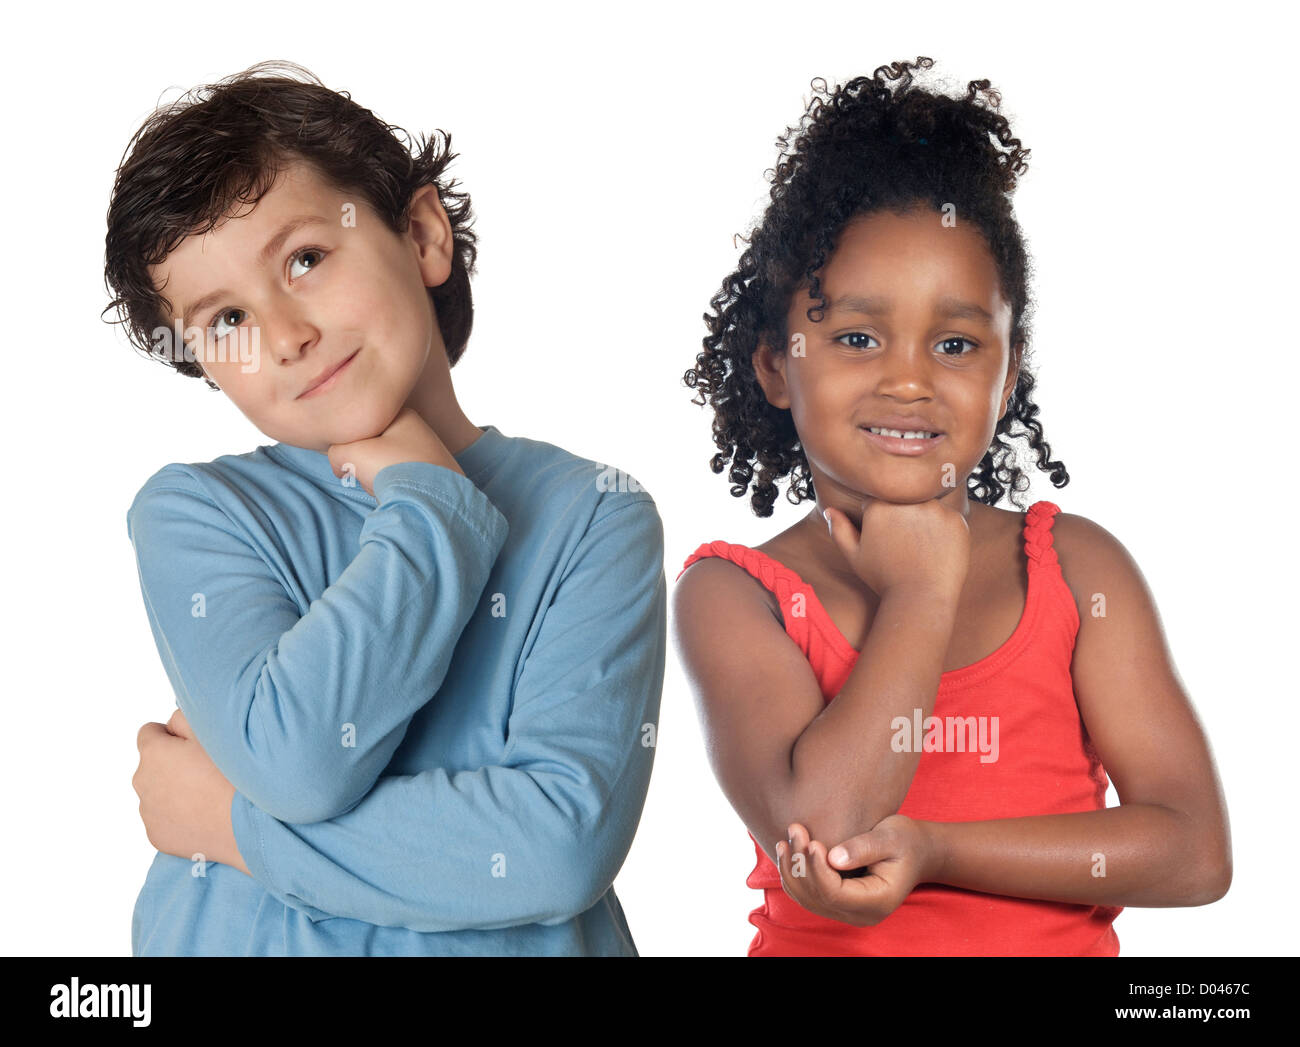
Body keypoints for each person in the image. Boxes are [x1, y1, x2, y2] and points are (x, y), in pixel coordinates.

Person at [672, 58, 1231, 956]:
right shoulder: (739, 595)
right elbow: (827, 824)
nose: (908, 378)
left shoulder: (1076, 569)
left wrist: (936, 851)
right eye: (857, 336)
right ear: (777, 364)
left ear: (1006, 378)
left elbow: (1195, 851)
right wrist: (922, 594)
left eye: (957, 343)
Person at [106, 61, 665, 956]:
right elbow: (301, 758)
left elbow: (556, 849)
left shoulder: (592, 515)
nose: (287, 336)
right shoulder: (197, 514)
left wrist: (231, 825)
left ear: (421, 233)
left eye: (306, 259)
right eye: (226, 321)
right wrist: (433, 511)